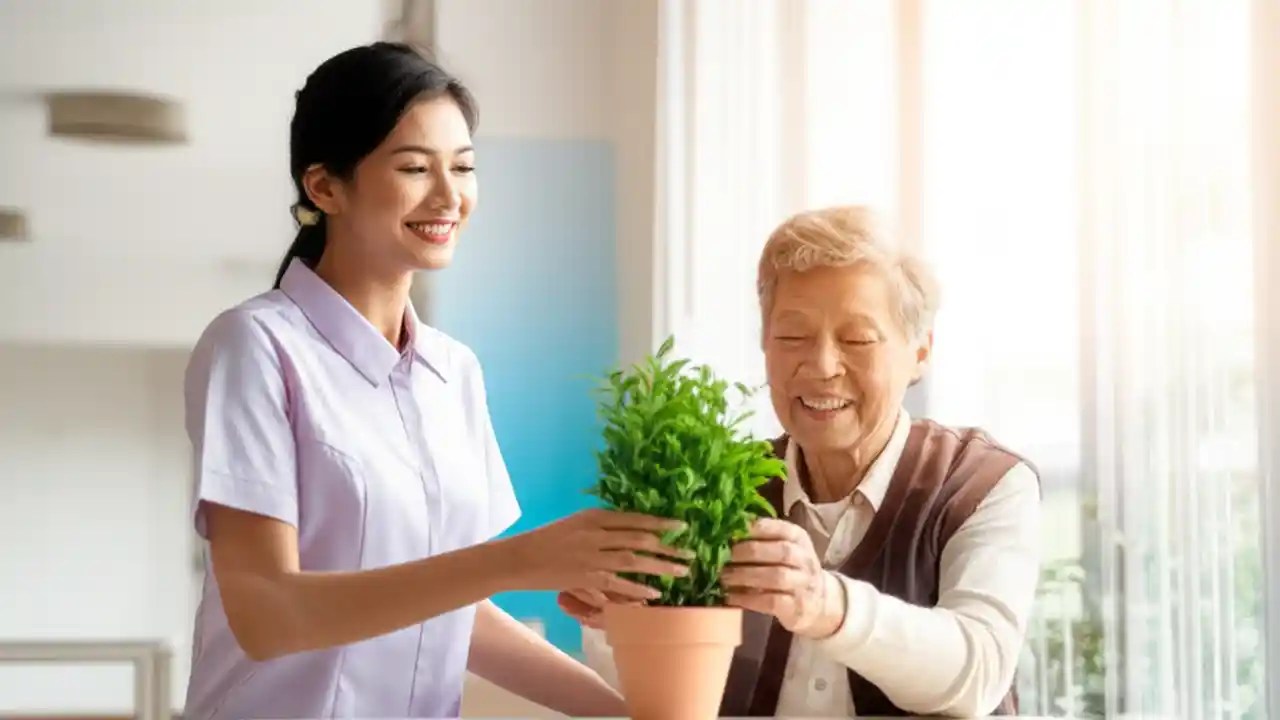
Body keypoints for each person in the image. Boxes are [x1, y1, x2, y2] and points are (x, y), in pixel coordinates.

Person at [181, 42, 691, 720]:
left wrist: (617, 713)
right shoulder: (256, 347)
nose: (449, 196)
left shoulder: (455, 373)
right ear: (324, 186)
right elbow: (267, 611)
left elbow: (457, 614)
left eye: (464, 167)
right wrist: (516, 562)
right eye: (416, 168)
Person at [564, 205, 1042, 717]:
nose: (821, 365)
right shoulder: (721, 489)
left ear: (920, 352)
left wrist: (824, 604)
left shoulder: (981, 484)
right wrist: (616, 617)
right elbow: (660, 694)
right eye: (793, 337)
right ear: (765, 344)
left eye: (857, 339)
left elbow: (979, 674)